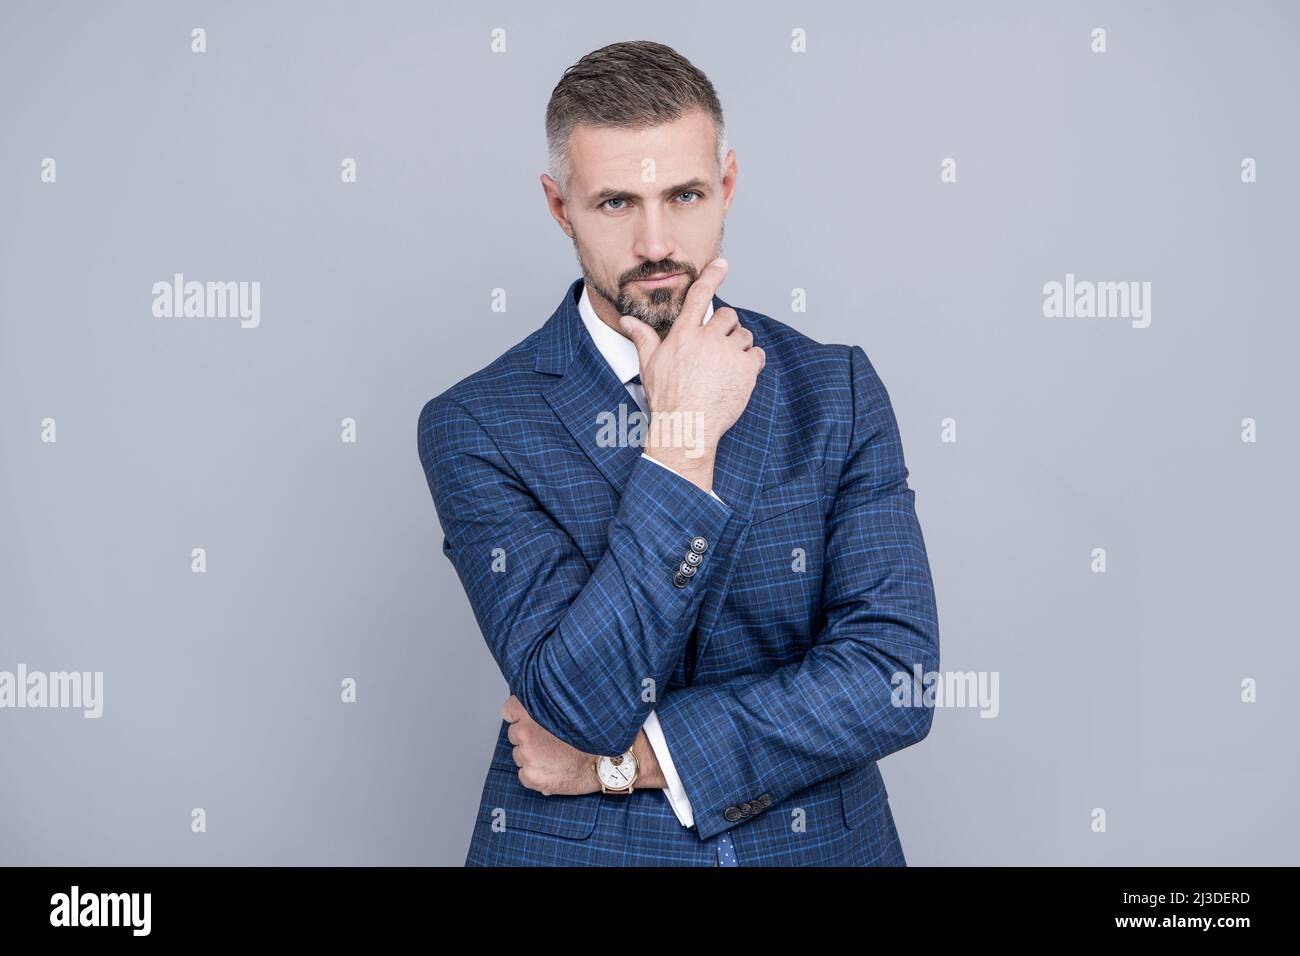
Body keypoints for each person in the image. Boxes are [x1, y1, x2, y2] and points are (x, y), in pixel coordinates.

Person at [418, 40, 939, 866]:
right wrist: (682, 440)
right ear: (560, 207)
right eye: (617, 203)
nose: (657, 243)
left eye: (685, 195)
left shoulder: (835, 389)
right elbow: (578, 700)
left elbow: (892, 680)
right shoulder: (475, 424)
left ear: (726, 187)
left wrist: (625, 764)